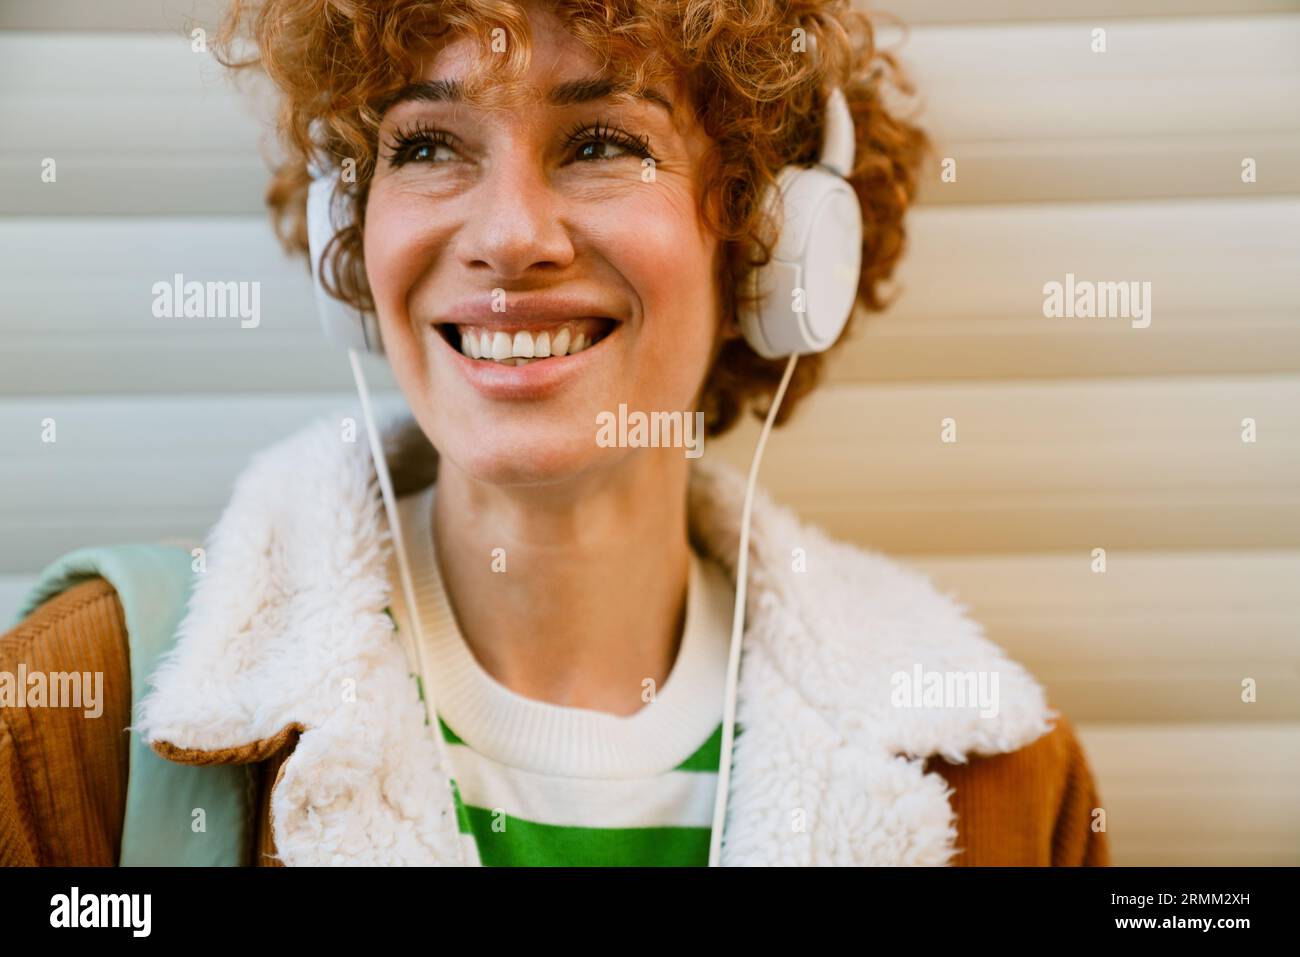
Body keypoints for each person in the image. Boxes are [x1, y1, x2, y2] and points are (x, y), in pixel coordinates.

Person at [0, 0, 1107, 867]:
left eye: (601, 142)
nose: (509, 236)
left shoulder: (997, 781)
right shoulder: (83, 714)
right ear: (355, 216)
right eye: (429, 145)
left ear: (769, 241)